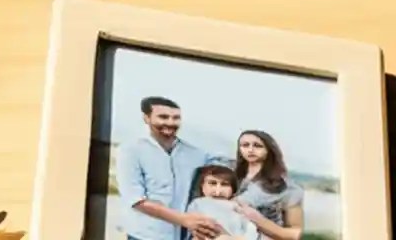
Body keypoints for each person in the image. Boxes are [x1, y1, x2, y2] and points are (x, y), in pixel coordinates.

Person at [115, 96, 227, 240]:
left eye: (176, 118)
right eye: (163, 117)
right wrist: (183, 219)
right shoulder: (130, 150)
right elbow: (136, 200)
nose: (170, 122)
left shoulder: (195, 153)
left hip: (183, 235)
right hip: (144, 235)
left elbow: (228, 166)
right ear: (146, 118)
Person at [232, 130, 305, 240]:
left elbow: (294, 234)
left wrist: (258, 220)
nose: (250, 150)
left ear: (269, 149)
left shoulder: (287, 188)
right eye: (245, 145)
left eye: (257, 146)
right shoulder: (228, 177)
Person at [185, 164, 259, 240]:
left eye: (224, 184)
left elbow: (251, 229)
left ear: (233, 189)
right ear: (202, 186)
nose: (218, 191)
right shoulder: (198, 204)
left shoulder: (238, 206)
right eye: (212, 183)